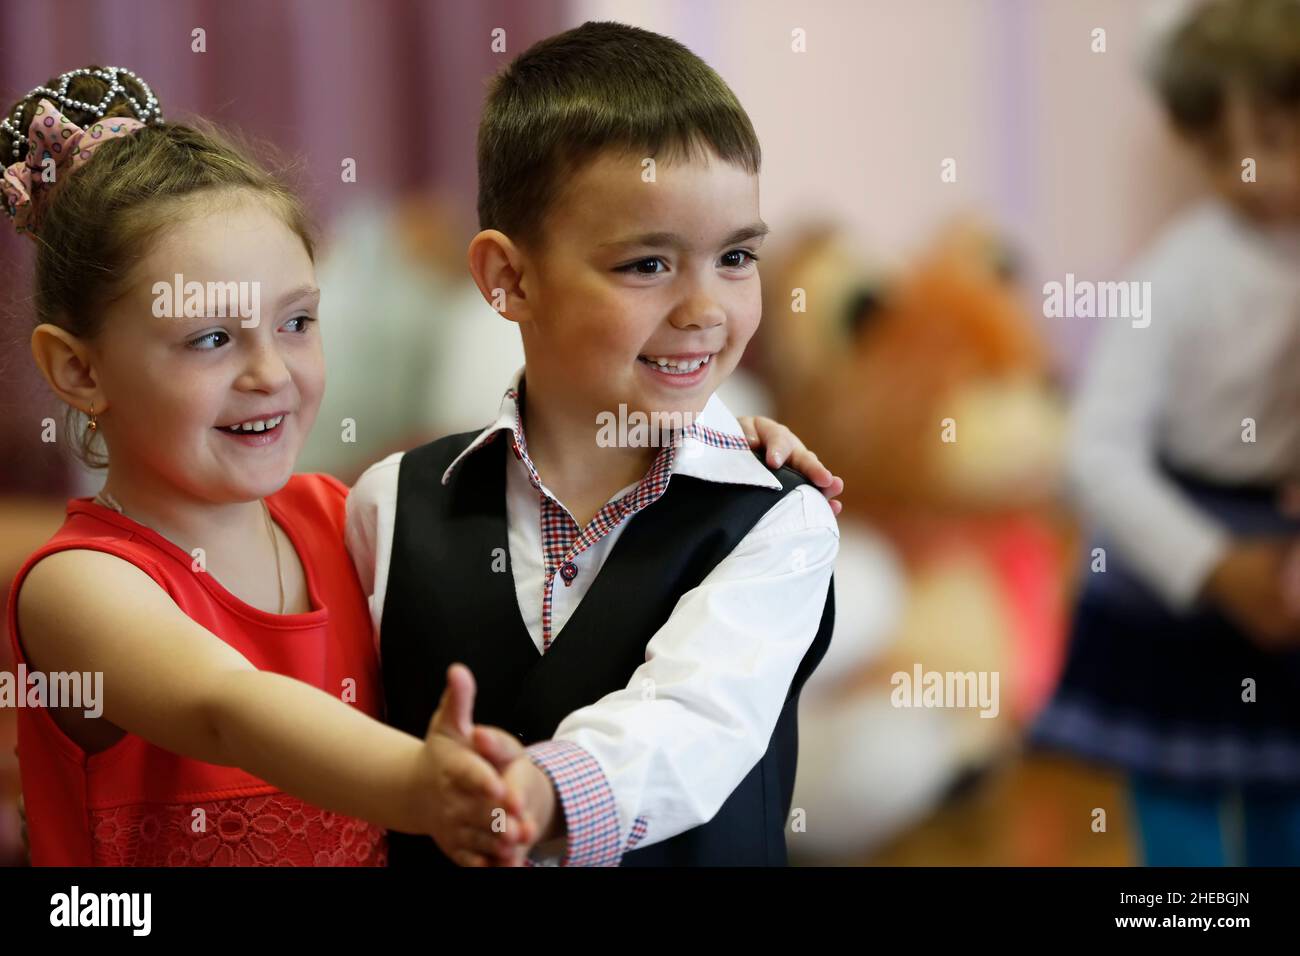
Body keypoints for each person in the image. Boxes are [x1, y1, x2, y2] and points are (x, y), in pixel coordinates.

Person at [3, 64, 837, 866]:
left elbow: (696, 707)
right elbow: (225, 708)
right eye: (212, 338)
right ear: (79, 369)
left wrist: (714, 438)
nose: (270, 373)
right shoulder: (79, 588)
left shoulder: (347, 519)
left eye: (297, 323)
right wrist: (428, 788)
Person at [347, 21, 841, 867]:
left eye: (735, 257)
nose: (704, 310)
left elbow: (697, 719)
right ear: (510, 278)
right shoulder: (390, 502)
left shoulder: (779, 521)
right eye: (647, 265)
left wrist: (540, 791)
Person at [1032, 0, 1300, 865]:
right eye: (1221, 147)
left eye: (1279, 132)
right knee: (1180, 830)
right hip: (1179, 569)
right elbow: (1095, 449)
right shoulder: (1183, 269)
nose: (1252, 170)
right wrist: (1210, 564)